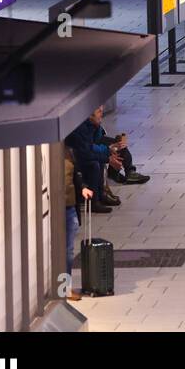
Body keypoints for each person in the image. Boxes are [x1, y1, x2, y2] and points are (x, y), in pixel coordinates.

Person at [65, 107, 125, 213]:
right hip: (75, 158)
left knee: (102, 158)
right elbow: (85, 152)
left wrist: (98, 127)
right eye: (99, 111)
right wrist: (107, 158)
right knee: (94, 164)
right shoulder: (80, 128)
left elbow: (96, 143)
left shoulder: (91, 125)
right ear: (89, 115)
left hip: (82, 154)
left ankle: (101, 194)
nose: (102, 113)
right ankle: (94, 202)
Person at [62, 151, 93, 301]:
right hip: (52, 208)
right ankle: (60, 288)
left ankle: (65, 288)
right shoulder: (45, 154)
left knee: (68, 251)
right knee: (59, 251)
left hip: (69, 207)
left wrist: (82, 188)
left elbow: (76, 176)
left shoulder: (69, 152)